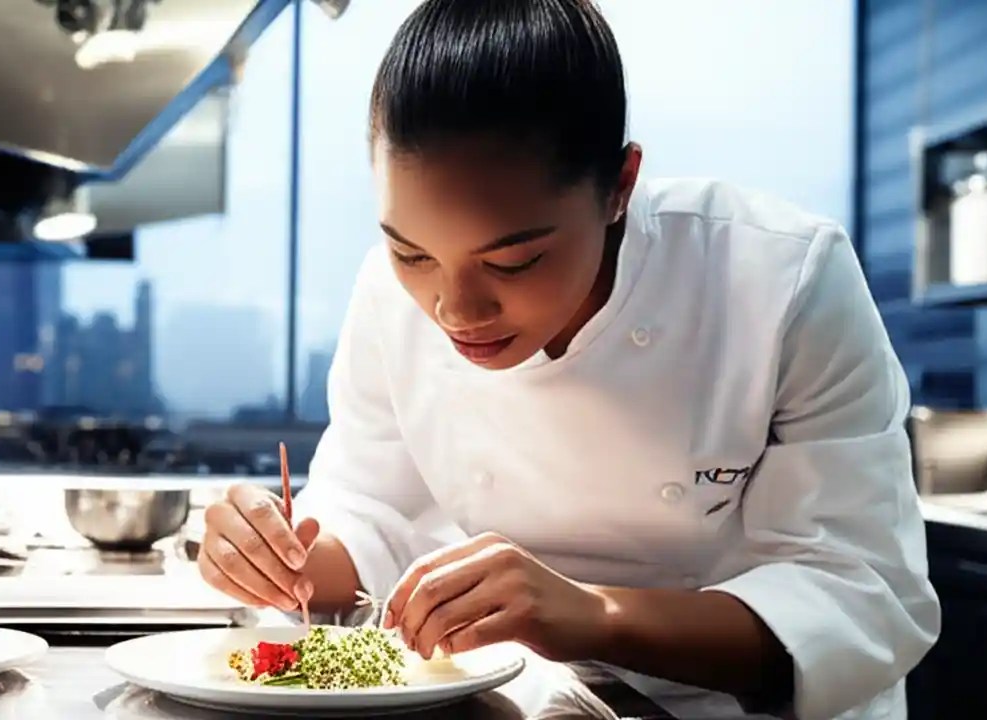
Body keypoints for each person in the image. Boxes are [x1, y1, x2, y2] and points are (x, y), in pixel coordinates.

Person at [197, 1, 940, 718]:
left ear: (619, 187)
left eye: (514, 260)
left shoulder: (781, 281)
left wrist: (592, 615)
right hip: (535, 697)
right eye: (410, 251)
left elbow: (858, 595)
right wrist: (277, 553)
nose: (455, 310)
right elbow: (371, 510)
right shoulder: (387, 299)